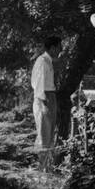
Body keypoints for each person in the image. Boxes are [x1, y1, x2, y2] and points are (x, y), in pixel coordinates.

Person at [31, 35, 62, 172]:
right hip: (44, 99)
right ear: (53, 47)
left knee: (49, 136)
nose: (60, 50)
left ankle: (46, 168)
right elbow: (38, 84)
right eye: (59, 47)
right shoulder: (42, 61)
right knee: (44, 135)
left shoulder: (49, 61)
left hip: (50, 97)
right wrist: (44, 102)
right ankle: (41, 168)